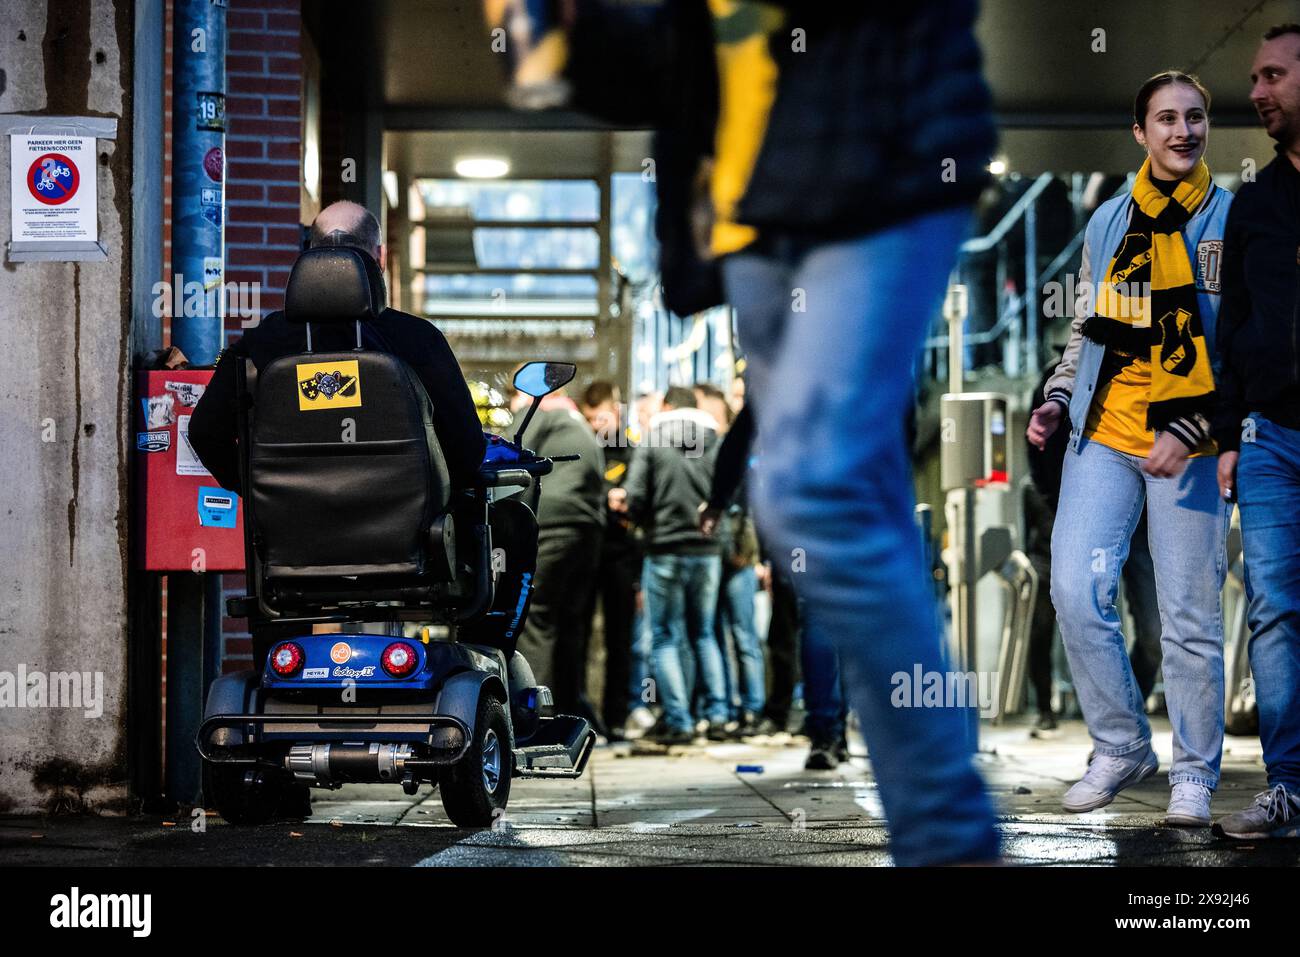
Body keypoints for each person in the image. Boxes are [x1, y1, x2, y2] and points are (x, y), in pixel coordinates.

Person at [503, 0, 1001, 864]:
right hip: (756, 205)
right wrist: (568, 39)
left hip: (877, 161)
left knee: (818, 489)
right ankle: (935, 809)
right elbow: (678, 57)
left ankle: (951, 841)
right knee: (863, 502)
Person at [1026, 71, 1233, 826]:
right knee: (1076, 591)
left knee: (1187, 615)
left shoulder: (1231, 220)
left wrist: (1215, 425)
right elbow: (1087, 328)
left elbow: (1239, 341)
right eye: (1167, 119)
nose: (1184, 131)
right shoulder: (1111, 223)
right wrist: (1055, 396)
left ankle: (1195, 773)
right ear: (1139, 134)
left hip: (1192, 438)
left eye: (1196, 118)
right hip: (1104, 432)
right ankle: (1120, 743)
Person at [189, 201, 523, 666]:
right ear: (379, 257)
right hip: (413, 556)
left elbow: (204, 433)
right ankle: (488, 660)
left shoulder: (260, 346)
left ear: (308, 253)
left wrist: (263, 492)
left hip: (292, 557)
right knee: (505, 521)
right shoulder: (416, 340)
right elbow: (466, 453)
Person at [1210, 23, 1300, 839]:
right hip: (1271, 436)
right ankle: (1289, 787)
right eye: (1254, 78)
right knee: (1273, 609)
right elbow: (1233, 322)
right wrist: (1231, 433)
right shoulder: (1255, 205)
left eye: (1273, 75)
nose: (1258, 92)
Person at [611, 386, 725, 744]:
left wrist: (632, 512)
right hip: (707, 550)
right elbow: (732, 492)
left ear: (666, 406)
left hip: (664, 548)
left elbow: (636, 496)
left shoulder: (653, 438)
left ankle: (679, 720)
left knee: (664, 636)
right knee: (702, 634)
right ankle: (718, 714)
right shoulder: (716, 440)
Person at [503, 372, 606, 726]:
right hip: (587, 533)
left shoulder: (540, 412)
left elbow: (506, 455)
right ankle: (572, 713)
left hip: (551, 527)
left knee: (536, 620)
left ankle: (533, 713)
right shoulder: (575, 419)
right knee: (571, 625)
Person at [580, 381, 643, 737]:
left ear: (615, 410)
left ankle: (617, 718)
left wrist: (627, 496)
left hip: (621, 553)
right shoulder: (583, 447)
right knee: (581, 633)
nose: (595, 427)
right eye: (590, 420)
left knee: (620, 639)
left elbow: (640, 491)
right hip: (589, 551)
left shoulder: (630, 448)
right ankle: (583, 715)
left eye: (600, 418)